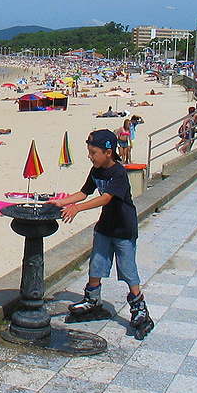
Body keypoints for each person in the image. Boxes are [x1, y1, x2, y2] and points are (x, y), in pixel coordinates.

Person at [47, 130, 153, 339]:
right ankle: (92, 300)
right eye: (89, 152)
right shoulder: (96, 170)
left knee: (127, 268)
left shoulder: (118, 173)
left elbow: (106, 198)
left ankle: (139, 307)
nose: (90, 156)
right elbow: (84, 192)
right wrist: (62, 202)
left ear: (108, 152)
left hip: (123, 228)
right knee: (97, 263)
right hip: (105, 227)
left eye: (93, 152)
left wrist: (77, 209)